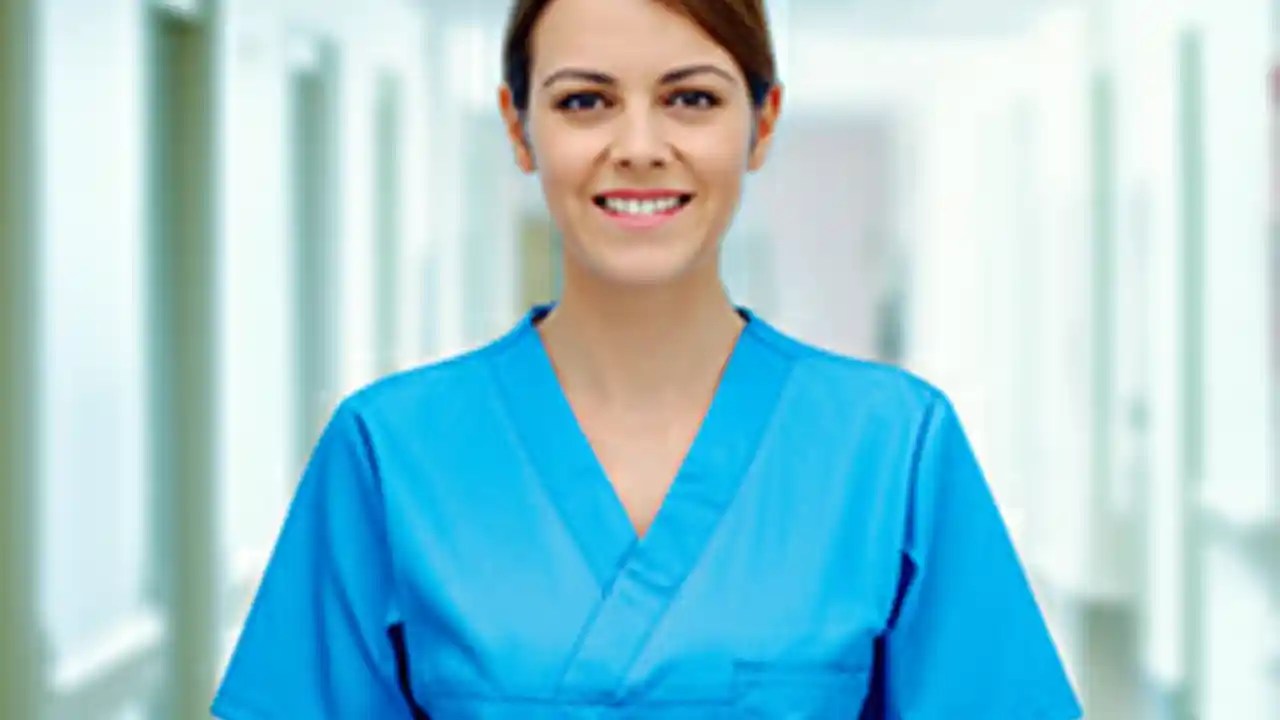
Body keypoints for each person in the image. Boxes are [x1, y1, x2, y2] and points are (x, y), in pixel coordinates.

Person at [211, 0, 1083, 717]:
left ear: (762, 122)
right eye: (584, 101)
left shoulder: (893, 448)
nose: (637, 145)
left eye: (691, 99)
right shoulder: (388, 453)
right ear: (519, 128)